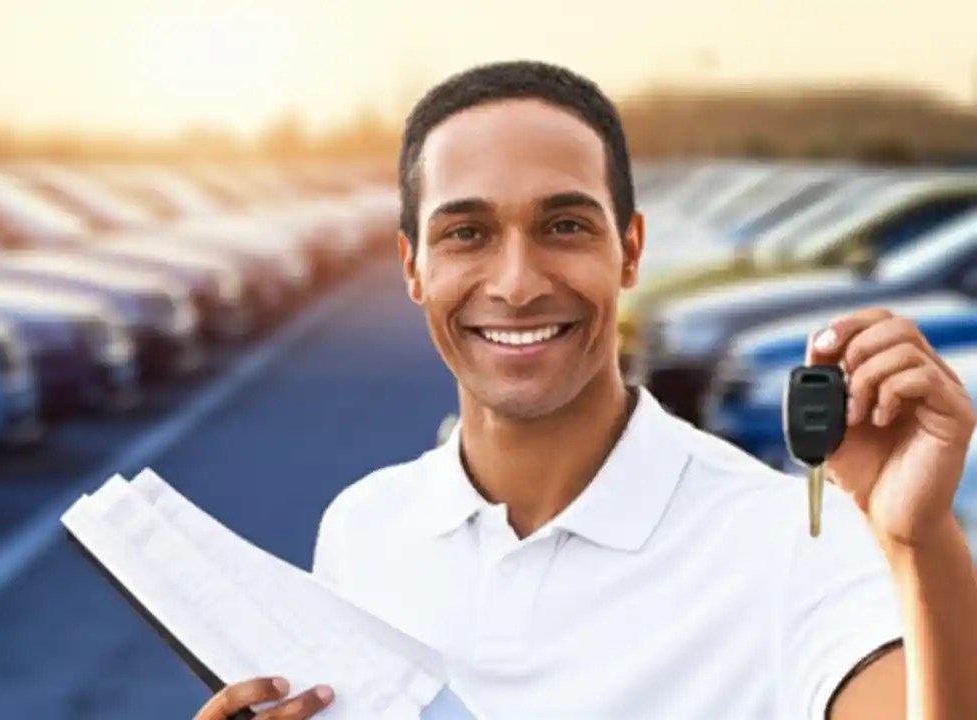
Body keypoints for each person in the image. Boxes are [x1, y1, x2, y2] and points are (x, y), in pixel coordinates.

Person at [194, 60, 977, 719]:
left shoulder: (793, 541)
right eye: (466, 233)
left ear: (629, 251)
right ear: (412, 267)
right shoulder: (363, 532)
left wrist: (923, 545)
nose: (517, 283)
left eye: (564, 226)